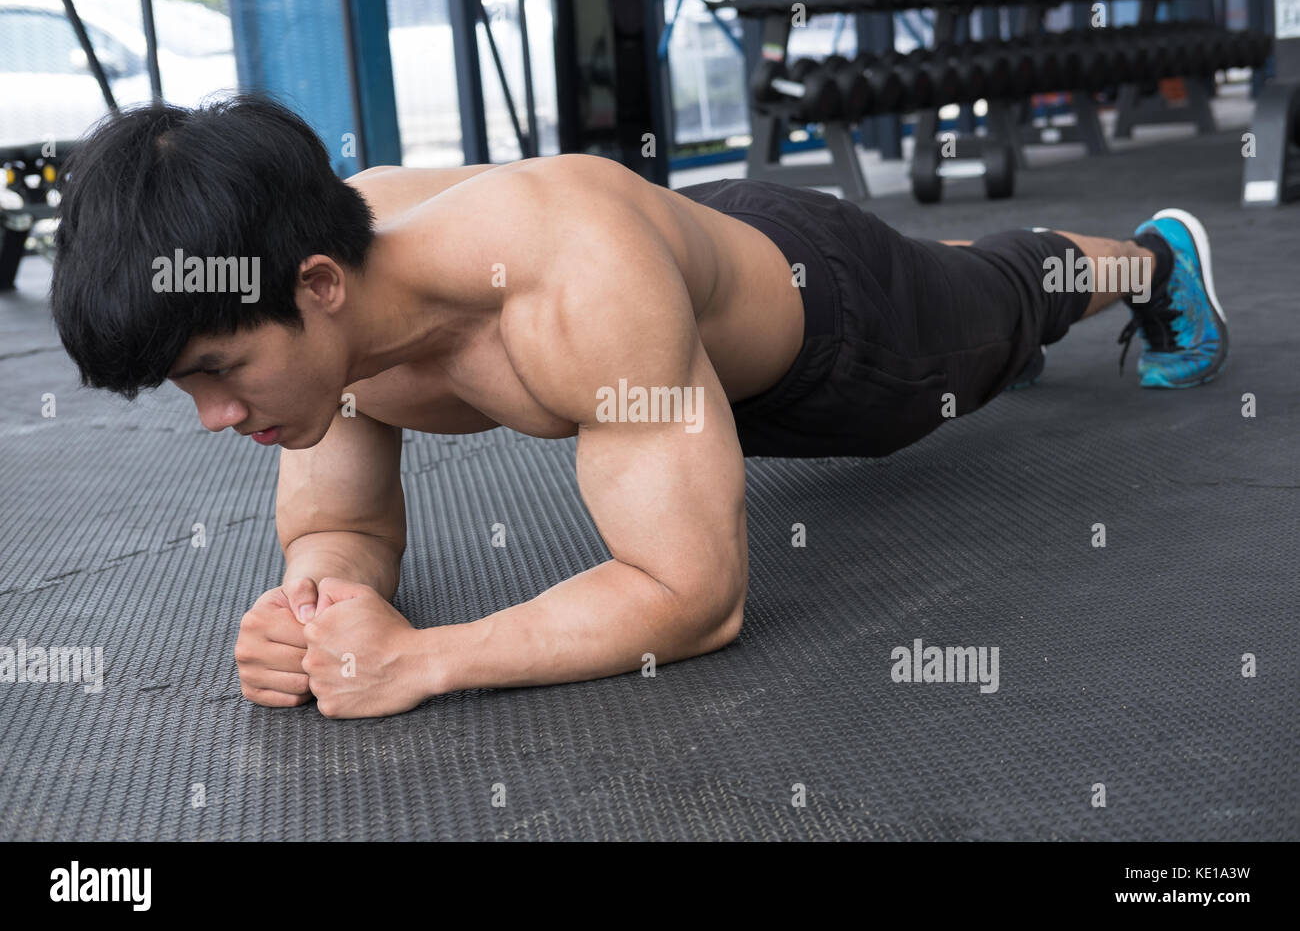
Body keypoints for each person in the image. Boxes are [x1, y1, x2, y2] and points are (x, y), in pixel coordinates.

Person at [50, 96, 1226, 718]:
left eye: (214, 369)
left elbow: (693, 594)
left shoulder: (566, 282)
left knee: (1002, 295)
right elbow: (341, 525)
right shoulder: (321, 285)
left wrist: (423, 660)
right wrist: (321, 610)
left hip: (837, 343)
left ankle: (1157, 261)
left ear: (316, 289)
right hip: (690, 293)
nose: (210, 417)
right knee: (971, 288)